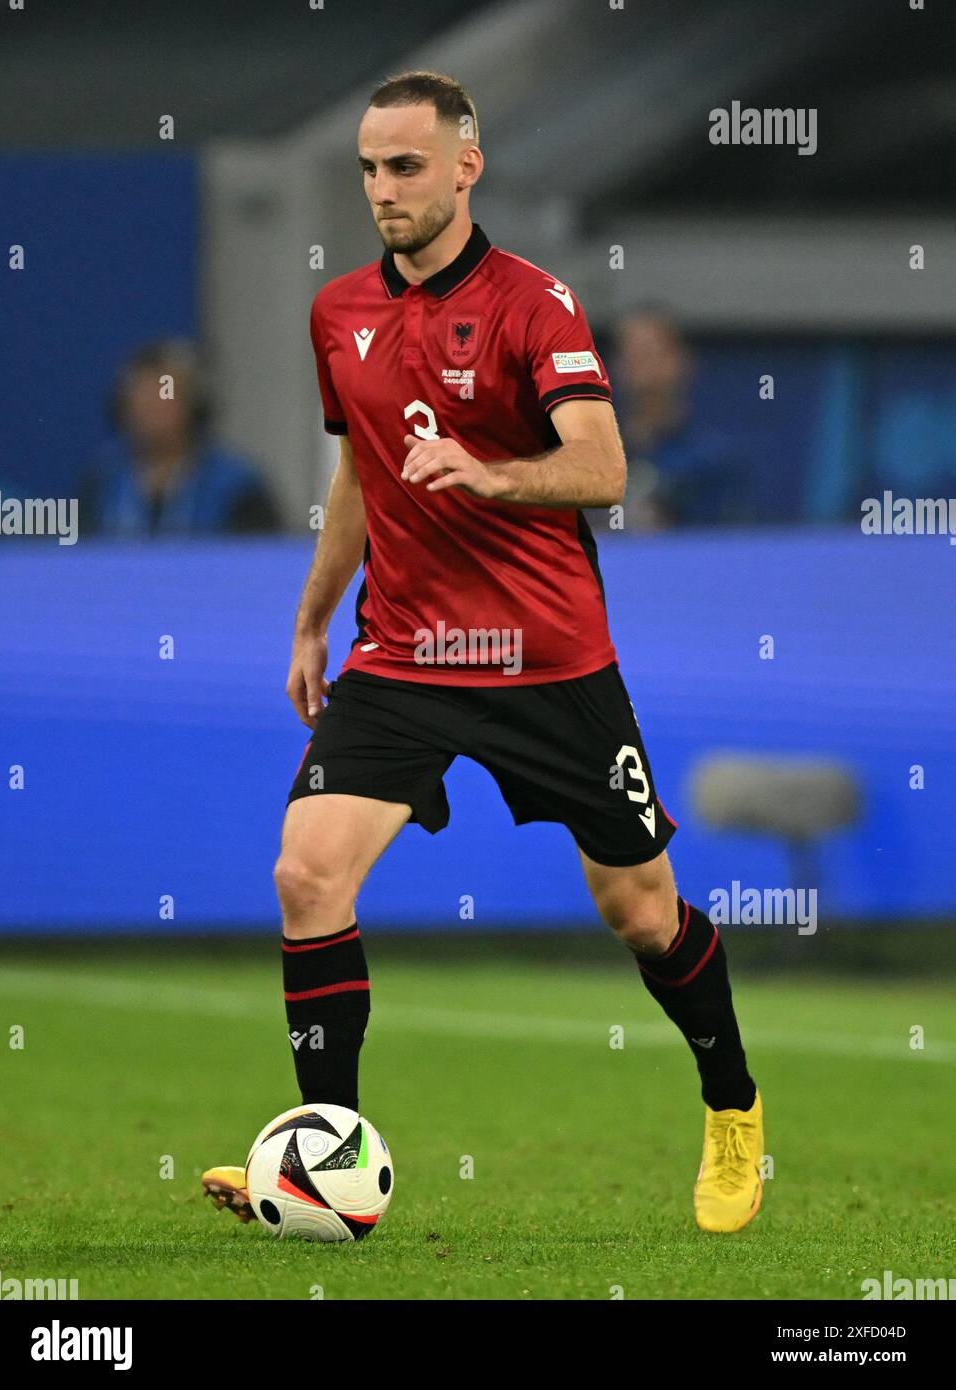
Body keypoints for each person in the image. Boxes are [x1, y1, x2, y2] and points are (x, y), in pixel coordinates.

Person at [202, 71, 763, 1235]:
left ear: (467, 167)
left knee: (642, 911)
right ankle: (325, 1159)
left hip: (547, 658)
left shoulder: (533, 304)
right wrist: (314, 613)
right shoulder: (338, 313)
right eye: (367, 167)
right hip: (401, 654)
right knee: (307, 874)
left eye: (405, 166)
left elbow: (601, 465)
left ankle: (733, 1104)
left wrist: (493, 470)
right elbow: (358, 467)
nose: (382, 189)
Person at [79, 340, 279, 537]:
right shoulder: (102, 482)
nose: (149, 411)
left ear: (194, 406)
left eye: (162, 398)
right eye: (141, 400)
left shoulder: (237, 488)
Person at [608, 308, 750, 531]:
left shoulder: (713, 458)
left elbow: (732, 541)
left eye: (650, 352)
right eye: (630, 354)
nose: (641, 366)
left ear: (681, 360)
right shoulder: (595, 453)